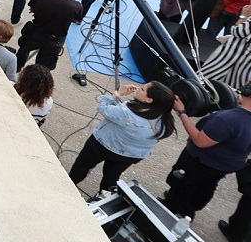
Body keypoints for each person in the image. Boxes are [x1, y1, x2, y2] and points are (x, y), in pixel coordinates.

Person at [162, 83, 251, 221]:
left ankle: (173, 207)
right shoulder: (233, 118)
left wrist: (181, 112)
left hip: (200, 160)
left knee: (183, 183)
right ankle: (189, 211)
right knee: (207, 185)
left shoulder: (227, 119)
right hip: (226, 165)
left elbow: (200, 141)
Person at [68, 81, 176, 193]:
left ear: (149, 100)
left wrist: (118, 94)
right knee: (111, 177)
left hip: (103, 144)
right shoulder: (166, 120)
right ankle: (103, 200)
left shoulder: (127, 113)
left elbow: (103, 108)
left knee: (83, 166)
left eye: (143, 89)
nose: (138, 88)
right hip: (131, 155)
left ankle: (68, 185)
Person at [15, 0, 83, 70]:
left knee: (22, 52)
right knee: (42, 70)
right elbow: (76, 20)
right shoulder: (76, 6)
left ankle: (14, 69)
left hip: (35, 34)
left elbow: (32, 8)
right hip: (54, 41)